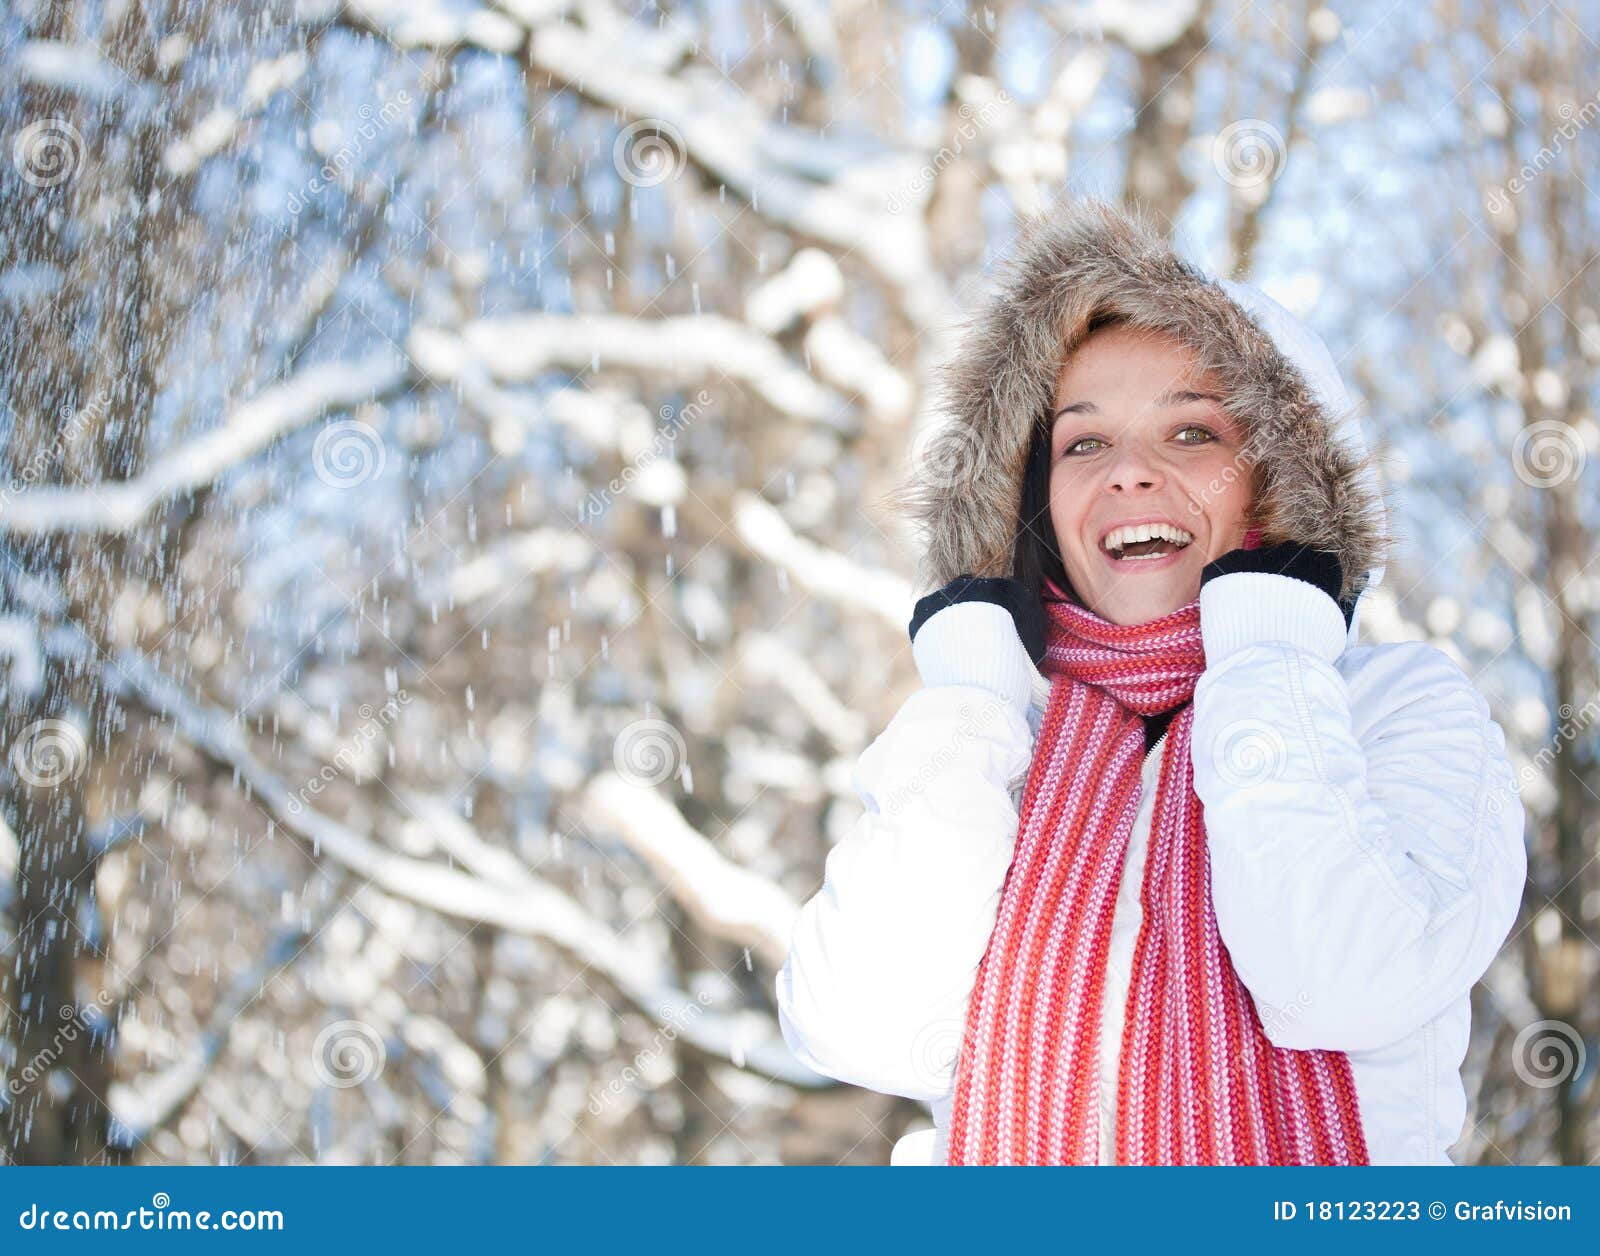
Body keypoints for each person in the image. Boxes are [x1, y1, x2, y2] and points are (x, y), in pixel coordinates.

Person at [774, 197, 1527, 1165]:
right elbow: (863, 1026)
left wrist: (1265, 658)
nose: (1126, 472)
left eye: (1191, 434)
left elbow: (1341, 981)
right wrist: (973, 701)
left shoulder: (1393, 702)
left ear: (1282, 476)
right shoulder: (999, 729)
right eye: (1081, 441)